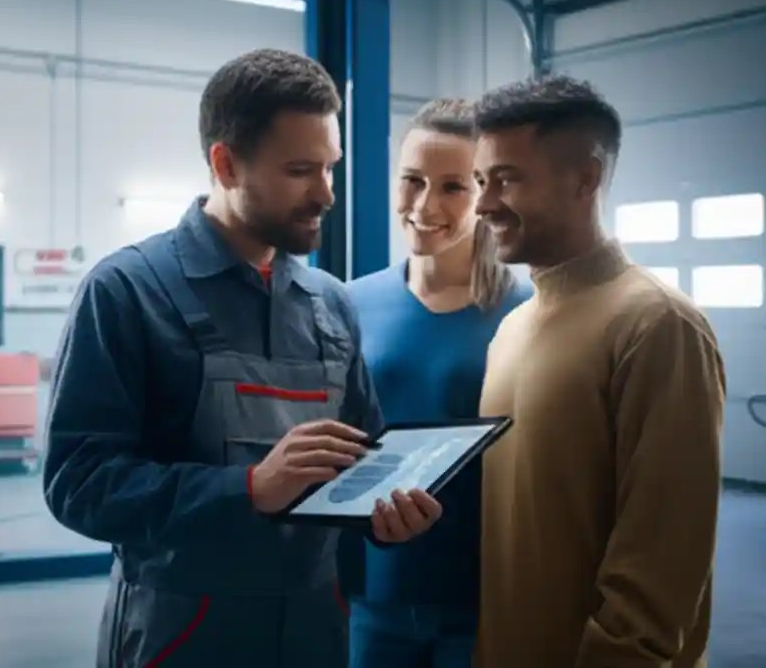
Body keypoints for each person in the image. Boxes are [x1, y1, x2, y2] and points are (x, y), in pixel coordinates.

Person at [42, 48, 443, 668]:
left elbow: (363, 461)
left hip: (314, 632)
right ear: (225, 164)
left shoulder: (331, 305)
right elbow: (78, 483)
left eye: (330, 168)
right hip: (180, 635)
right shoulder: (126, 292)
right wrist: (248, 488)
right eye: (301, 171)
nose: (326, 194)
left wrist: (384, 513)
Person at [471, 75, 726, 667]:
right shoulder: (512, 328)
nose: (482, 204)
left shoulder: (658, 325)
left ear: (584, 179)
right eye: (482, 180)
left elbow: (663, 555)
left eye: (506, 178)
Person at [341, 98, 532, 668]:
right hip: (373, 592)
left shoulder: (527, 311)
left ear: (485, 195)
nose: (426, 205)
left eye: (454, 186)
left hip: (486, 596)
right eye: (413, 181)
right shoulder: (347, 303)